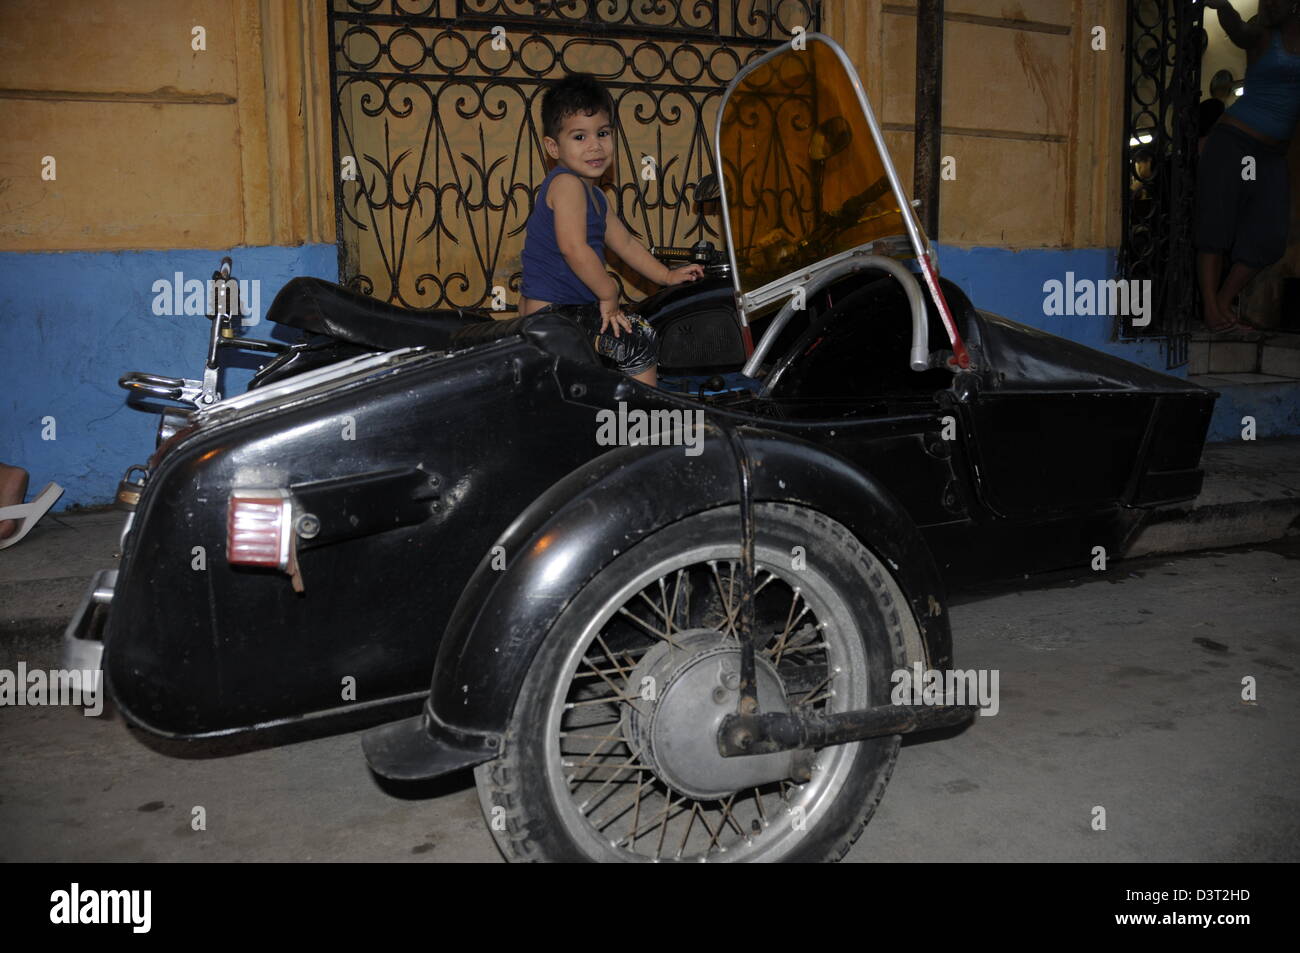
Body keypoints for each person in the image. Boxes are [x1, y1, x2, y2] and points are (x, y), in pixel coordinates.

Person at [519, 74, 703, 386]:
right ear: (553, 146)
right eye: (579, 137)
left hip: (569, 310)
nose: (595, 146)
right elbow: (574, 248)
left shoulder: (596, 196)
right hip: (553, 314)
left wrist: (666, 276)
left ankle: (617, 412)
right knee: (635, 343)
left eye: (602, 133)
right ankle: (641, 427)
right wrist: (609, 293)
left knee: (639, 329)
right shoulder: (566, 185)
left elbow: (627, 244)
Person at [1196, 0, 1300, 333]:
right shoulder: (1261, 35)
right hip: (1235, 142)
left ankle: (1223, 303)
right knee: (1217, 222)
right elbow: (1238, 30)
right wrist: (1223, 7)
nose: (1268, 3)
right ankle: (1214, 311)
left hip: (1270, 155)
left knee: (1270, 236)